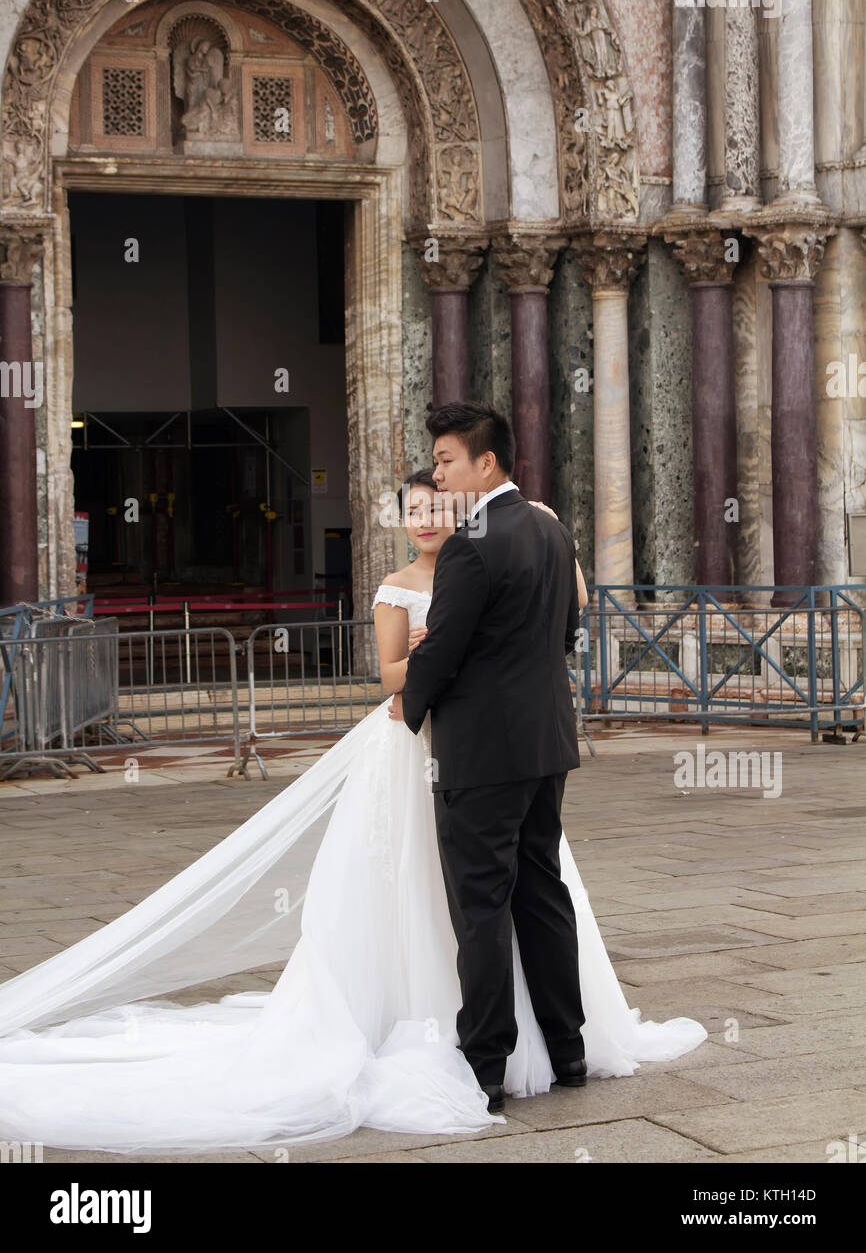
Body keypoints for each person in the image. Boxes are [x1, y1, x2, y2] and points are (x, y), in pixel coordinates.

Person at [0, 449, 706, 1155]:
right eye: (414, 510)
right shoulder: (400, 586)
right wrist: (424, 659)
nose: (425, 518)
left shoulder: (500, 553)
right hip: (425, 744)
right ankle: (457, 1029)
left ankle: (537, 1043)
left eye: (437, 502)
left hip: (493, 750)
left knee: (519, 890)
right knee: (441, 889)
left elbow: (554, 615)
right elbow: (390, 674)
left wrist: (538, 540)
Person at [401, 401, 588, 1112]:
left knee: (480, 903)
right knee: (542, 892)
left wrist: (409, 710)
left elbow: (442, 648)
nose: (438, 473)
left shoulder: (471, 542)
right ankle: (567, 1051)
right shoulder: (549, 526)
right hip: (546, 742)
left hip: (481, 752)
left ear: (486, 463)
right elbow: (566, 628)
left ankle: (484, 1064)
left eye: (446, 461)